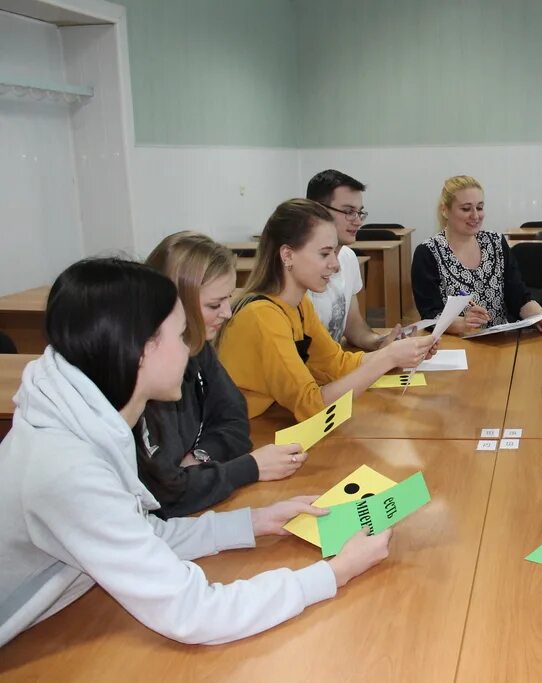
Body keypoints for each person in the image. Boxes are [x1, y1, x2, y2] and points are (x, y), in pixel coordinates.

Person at [0, 258, 392, 647]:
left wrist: (254, 521)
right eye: (182, 334)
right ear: (141, 349)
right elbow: (195, 613)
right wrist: (334, 572)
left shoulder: (88, 415)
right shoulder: (67, 468)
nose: (192, 347)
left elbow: (140, 533)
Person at [218, 199, 437, 421]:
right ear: (288, 255)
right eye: (324, 254)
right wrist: (387, 358)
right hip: (247, 432)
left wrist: (393, 353)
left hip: (268, 418)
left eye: (334, 252)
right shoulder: (262, 316)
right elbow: (311, 406)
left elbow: (336, 364)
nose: (336, 264)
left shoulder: (299, 304)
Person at [139, 232, 308, 518]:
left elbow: (234, 419)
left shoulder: (198, 348)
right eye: (214, 305)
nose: (228, 313)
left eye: (228, 299)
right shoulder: (146, 378)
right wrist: (247, 468)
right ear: (175, 305)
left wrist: (199, 459)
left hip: (194, 513)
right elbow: (164, 495)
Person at [411, 175, 542, 336]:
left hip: (501, 343)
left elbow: (518, 296)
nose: (475, 216)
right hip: (456, 345)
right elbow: (430, 315)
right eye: (466, 209)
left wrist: (540, 317)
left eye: (480, 207)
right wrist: (462, 324)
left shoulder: (496, 242)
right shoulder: (428, 253)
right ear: (445, 210)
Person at [305, 169, 402, 350]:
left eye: (360, 212)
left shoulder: (348, 257)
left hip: (333, 366)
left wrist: (382, 343)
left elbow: (353, 326)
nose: (358, 221)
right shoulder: (299, 269)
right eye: (349, 212)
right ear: (317, 210)